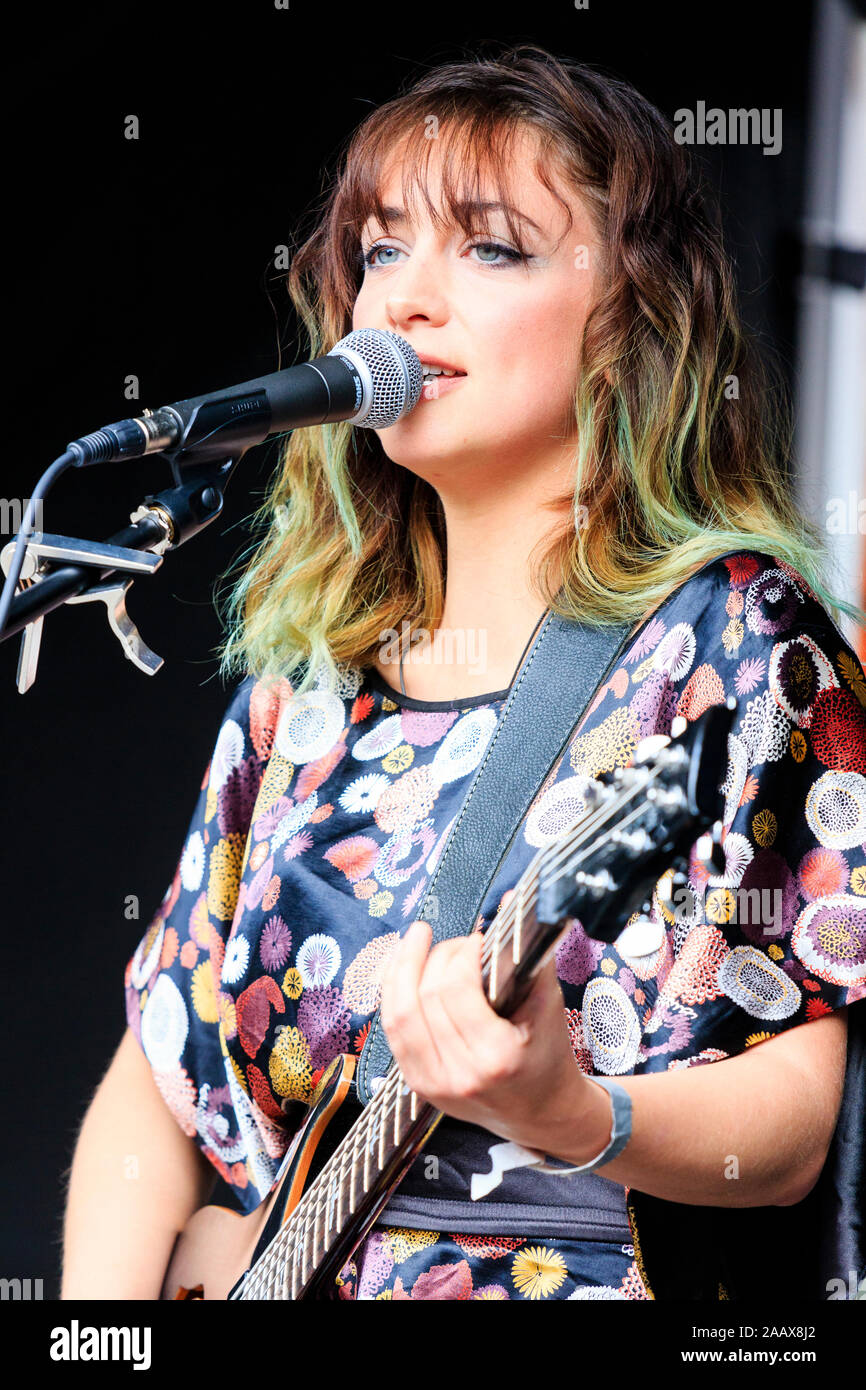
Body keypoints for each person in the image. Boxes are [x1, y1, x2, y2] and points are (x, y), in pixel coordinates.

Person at [61, 44, 866, 1301]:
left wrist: (568, 1108)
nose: (406, 301)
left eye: (489, 248)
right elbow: (153, 1075)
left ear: (629, 321)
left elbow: (787, 1129)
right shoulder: (304, 685)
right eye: (382, 250)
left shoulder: (733, 643)